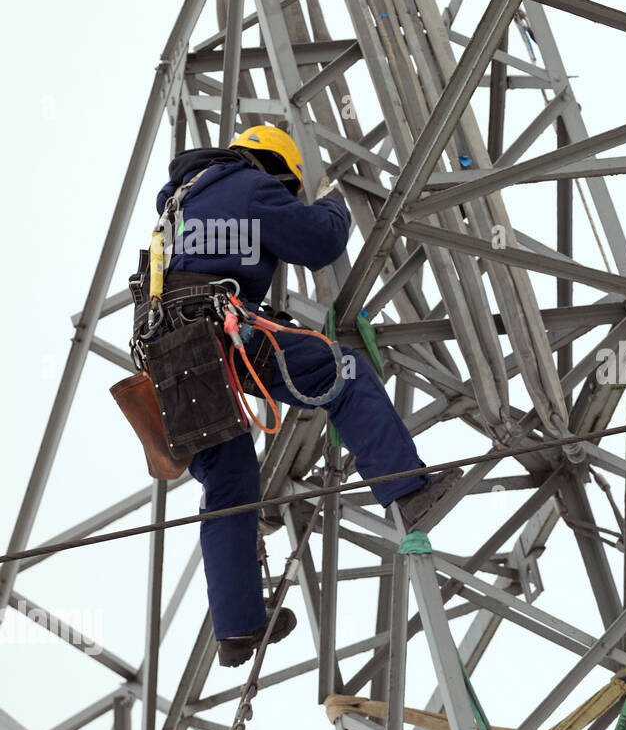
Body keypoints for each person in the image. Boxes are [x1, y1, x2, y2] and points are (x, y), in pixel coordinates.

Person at [142, 125, 459, 666]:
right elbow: (319, 242)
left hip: (171, 359)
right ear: (274, 169)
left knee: (231, 482)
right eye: (286, 188)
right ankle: (407, 489)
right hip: (223, 334)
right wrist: (333, 205)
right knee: (343, 375)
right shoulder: (246, 183)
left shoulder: (177, 207)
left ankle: (238, 628)